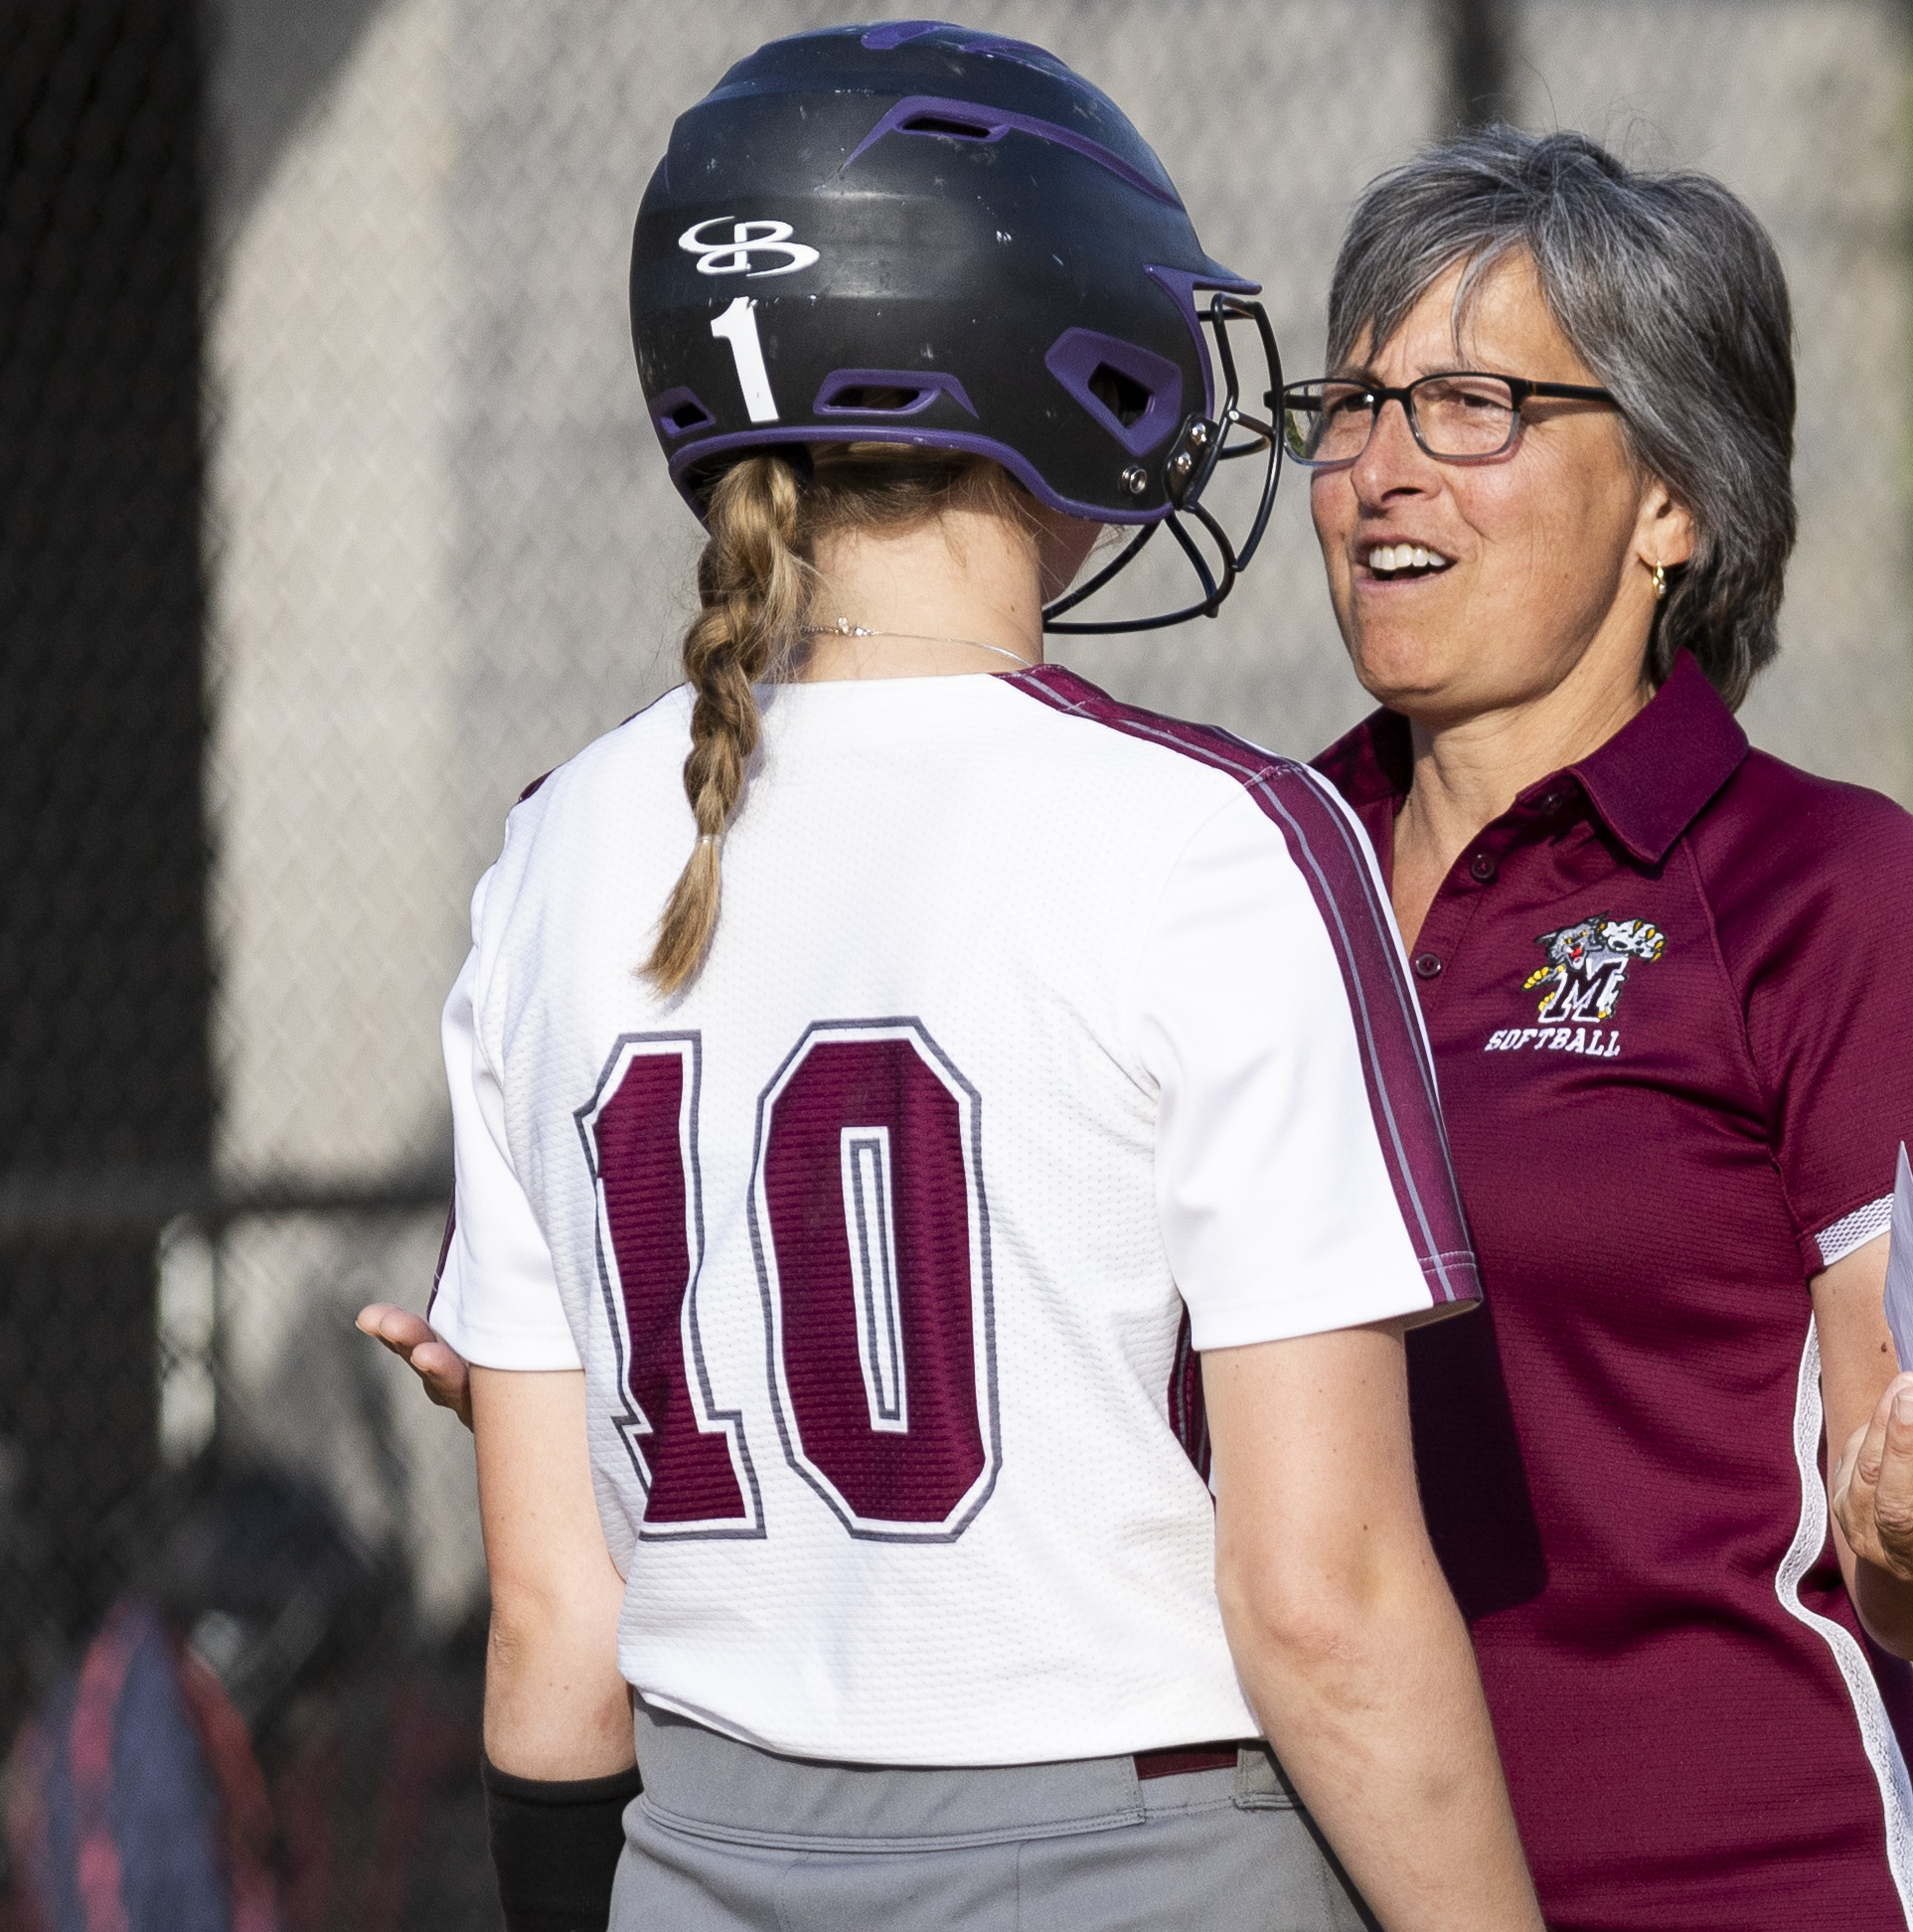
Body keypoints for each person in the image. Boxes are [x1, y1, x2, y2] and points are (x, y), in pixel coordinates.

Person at [365, 27, 1539, 1932]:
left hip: (700, 1850)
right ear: (1044, 335)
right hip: (1134, 1854)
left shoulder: (553, 850)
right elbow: (1320, 1604)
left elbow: (557, 1636)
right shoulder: (1216, 841)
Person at [1274, 128, 1913, 1928]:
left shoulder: (1828, 893)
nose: (1381, 475)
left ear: (1673, 505)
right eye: (1354, 407)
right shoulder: (1239, 876)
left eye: (1473, 408)